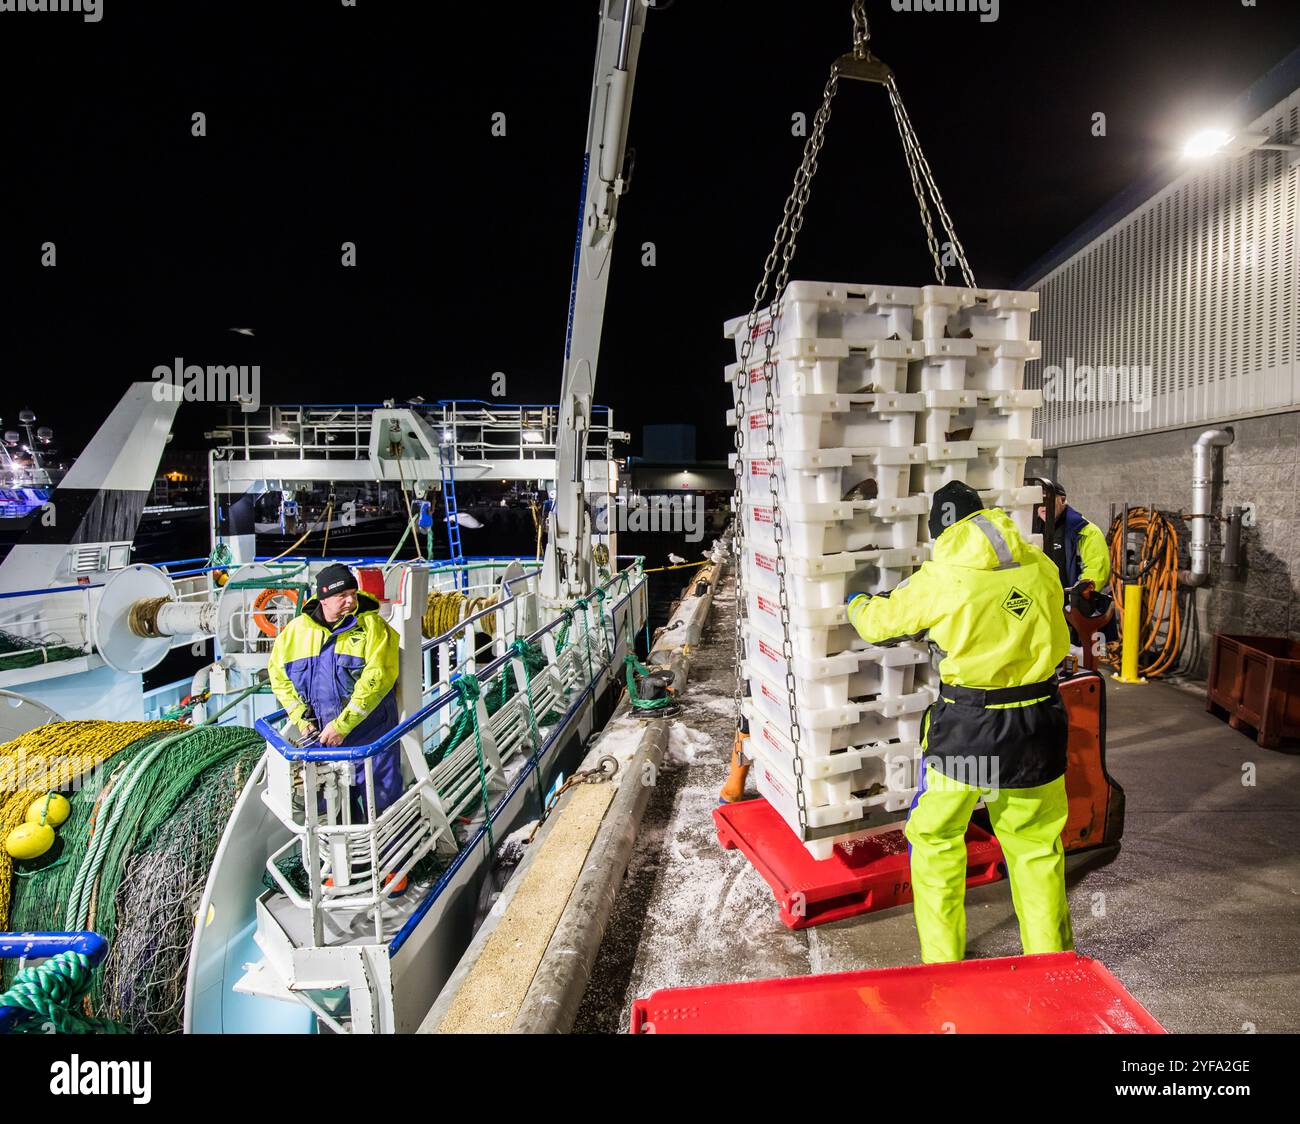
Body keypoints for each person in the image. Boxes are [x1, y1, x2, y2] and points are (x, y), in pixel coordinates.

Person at [847, 481, 1073, 964]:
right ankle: (1051, 968)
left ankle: (944, 964)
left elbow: (879, 625)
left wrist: (856, 601)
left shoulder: (942, 577)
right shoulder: (1042, 566)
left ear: (942, 531)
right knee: (1035, 845)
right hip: (1041, 724)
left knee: (936, 837)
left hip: (972, 730)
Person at [267, 562, 403, 821]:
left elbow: (378, 677)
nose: (350, 601)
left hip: (372, 735)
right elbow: (279, 677)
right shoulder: (294, 633)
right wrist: (300, 719)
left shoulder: (372, 627)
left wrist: (343, 725)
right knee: (331, 810)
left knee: (385, 806)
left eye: (352, 594)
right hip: (322, 740)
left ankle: (390, 860)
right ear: (323, 599)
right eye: (342, 596)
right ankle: (345, 861)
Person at [1035, 479, 1116, 644]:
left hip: (1071, 610)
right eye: (1037, 501)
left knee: (1074, 659)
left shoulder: (1086, 531)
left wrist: (1076, 603)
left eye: (1046, 500)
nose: (1042, 506)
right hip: (1040, 606)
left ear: (1063, 500)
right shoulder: (1030, 531)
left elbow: (1096, 569)